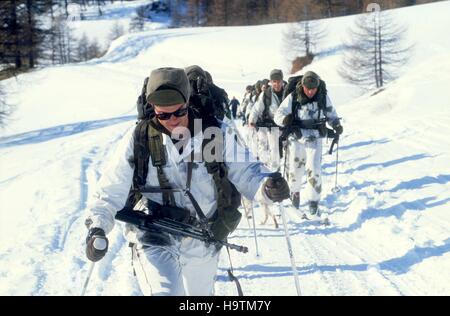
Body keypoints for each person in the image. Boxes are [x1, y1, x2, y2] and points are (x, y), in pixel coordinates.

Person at [84, 67, 290, 296]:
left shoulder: (213, 133)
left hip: (204, 236)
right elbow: (110, 190)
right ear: (153, 108)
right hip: (154, 233)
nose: (172, 121)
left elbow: (246, 172)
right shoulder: (140, 138)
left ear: (188, 102)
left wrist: (267, 187)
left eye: (178, 112)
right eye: (163, 115)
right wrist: (97, 227)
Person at [274, 71, 343, 215]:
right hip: (296, 136)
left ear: (318, 87)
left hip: (315, 136)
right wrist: (285, 120)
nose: (310, 92)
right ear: (303, 86)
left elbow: (331, 114)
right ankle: (295, 193)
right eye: (308, 88)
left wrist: (336, 124)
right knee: (296, 168)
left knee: (314, 168)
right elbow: (278, 115)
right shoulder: (293, 96)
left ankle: (313, 200)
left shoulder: (322, 96)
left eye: (313, 89)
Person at [249, 69, 285, 171]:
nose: (277, 84)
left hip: (286, 127)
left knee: (287, 153)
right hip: (272, 127)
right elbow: (256, 109)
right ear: (271, 82)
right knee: (274, 150)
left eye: (279, 81)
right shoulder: (266, 94)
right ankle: (274, 172)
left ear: (282, 81)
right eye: (274, 82)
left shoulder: (287, 93)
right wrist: (252, 120)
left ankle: (289, 175)